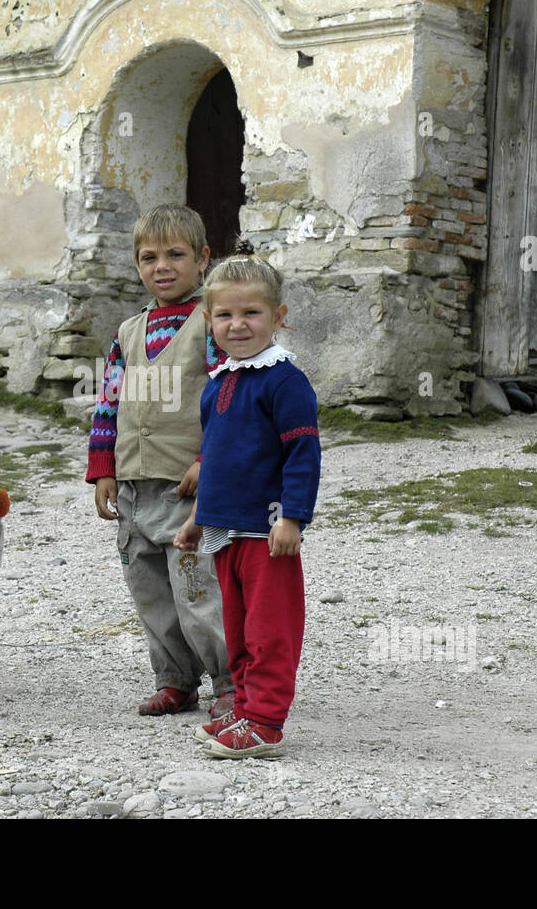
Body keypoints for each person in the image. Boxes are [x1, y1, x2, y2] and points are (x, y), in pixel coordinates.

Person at [87, 204, 234, 718]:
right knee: (150, 593)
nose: (162, 267)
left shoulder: (212, 324)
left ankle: (231, 685)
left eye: (176, 254)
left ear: (203, 258)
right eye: (149, 257)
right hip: (133, 489)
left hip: (187, 489)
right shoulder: (128, 332)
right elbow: (108, 402)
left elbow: (226, 399)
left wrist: (207, 459)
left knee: (198, 592)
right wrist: (103, 468)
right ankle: (174, 679)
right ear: (136, 263)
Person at [175, 248, 321, 759]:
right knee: (235, 627)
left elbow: (302, 453)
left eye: (251, 313)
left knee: (269, 629)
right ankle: (244, 704)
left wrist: (293, 517)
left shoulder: (285, 381)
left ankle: (266, 722)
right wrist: (198, 518)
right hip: (224, 530)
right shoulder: (218, 384)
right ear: (208, 318)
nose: (237, 325)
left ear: (278, 318)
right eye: (225, 314)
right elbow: (213, 459)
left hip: (267, 532)